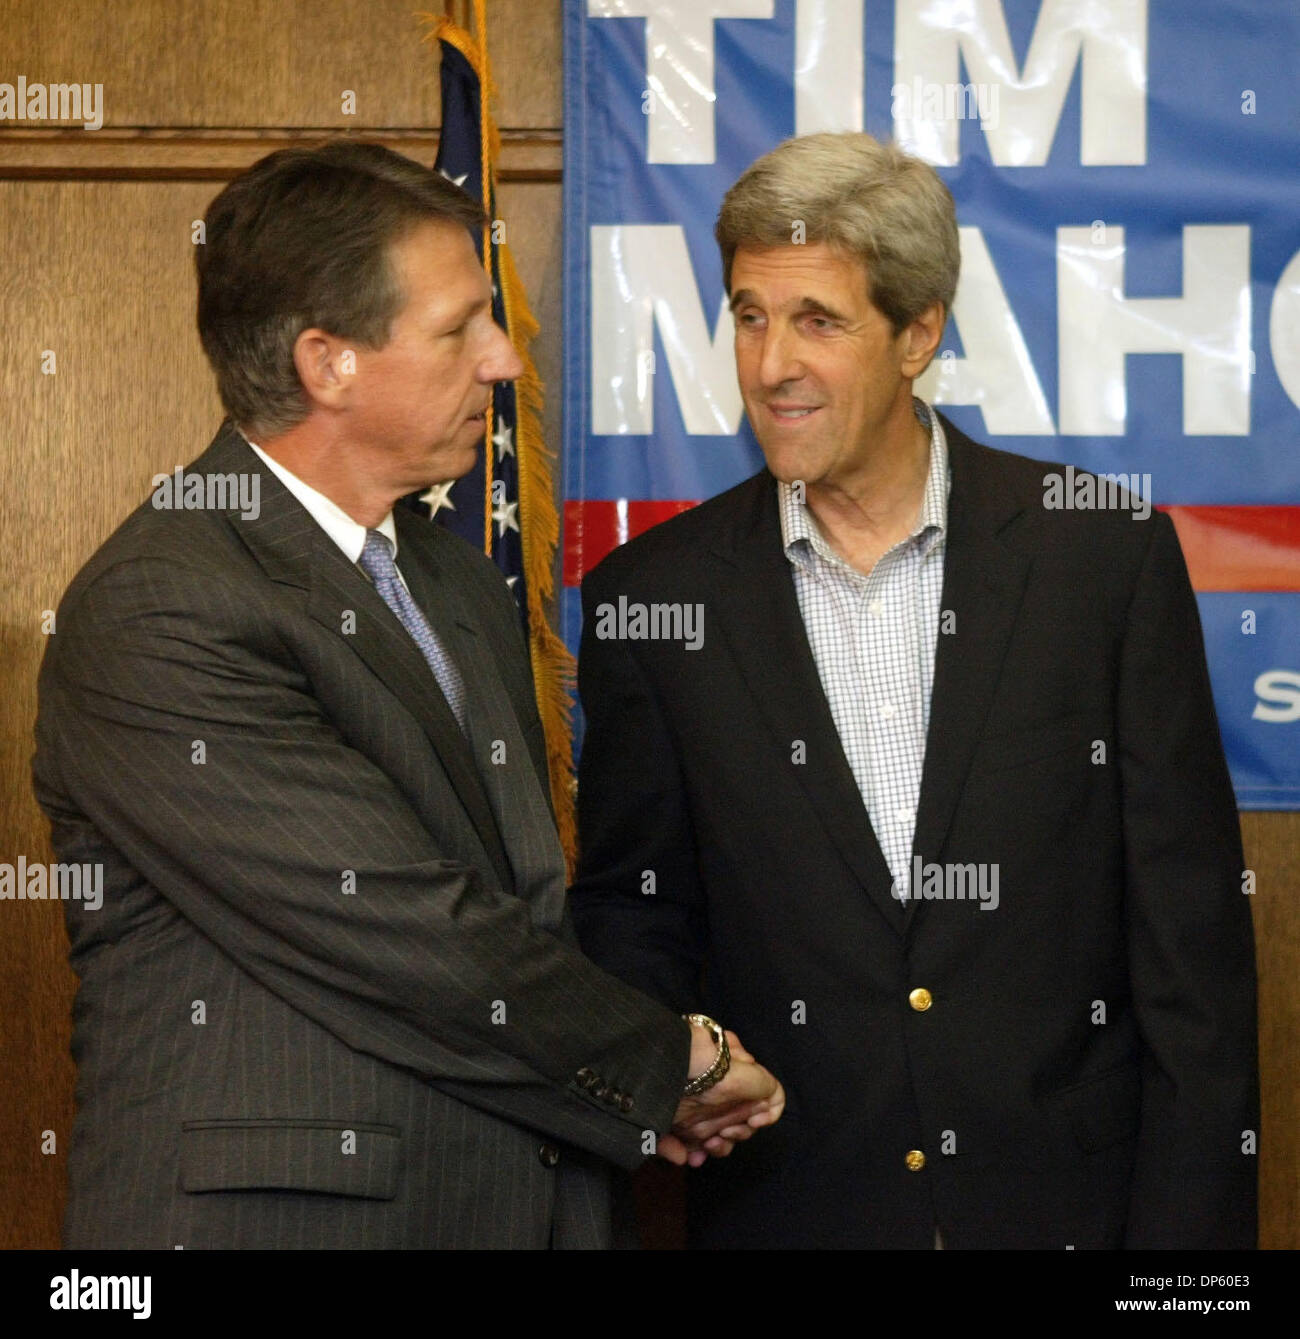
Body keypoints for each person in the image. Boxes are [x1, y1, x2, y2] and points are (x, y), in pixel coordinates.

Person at [32, 141, 782, 1250]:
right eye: (460, 327)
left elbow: (515, 906)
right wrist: (670, 1062)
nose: (502, 360)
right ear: (327, 361)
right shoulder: (166, 603)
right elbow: (396, 928)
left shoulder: (451, 576)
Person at [569, 132, 1259, 1249]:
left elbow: (1195, 967)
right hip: (791, 1212)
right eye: (749, 315)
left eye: (817, 320)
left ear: (918, 333)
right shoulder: (653, 602)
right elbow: (632, 912)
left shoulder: (1101, 559)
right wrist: (676, 1057)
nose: (770, 363)